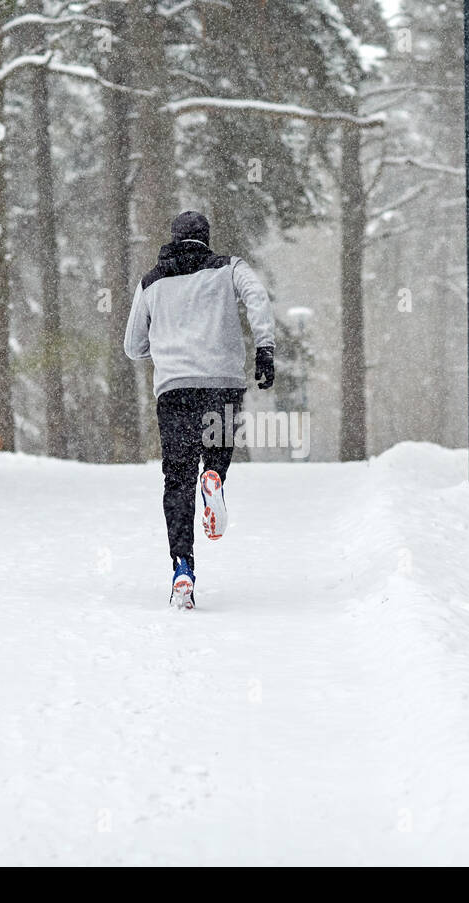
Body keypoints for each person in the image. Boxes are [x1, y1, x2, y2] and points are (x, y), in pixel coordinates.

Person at [124, 210, 275, 609]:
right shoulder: (228, 268)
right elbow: (257, 297)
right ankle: (215, 478)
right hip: (221, 384)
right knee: (215, 456)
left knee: (176, 479)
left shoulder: (151, 282)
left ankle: (183, 567)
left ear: (173, 238)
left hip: (175, 389)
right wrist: (264, 348)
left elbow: (133, 346)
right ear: (206, 238)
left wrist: (165, 341)